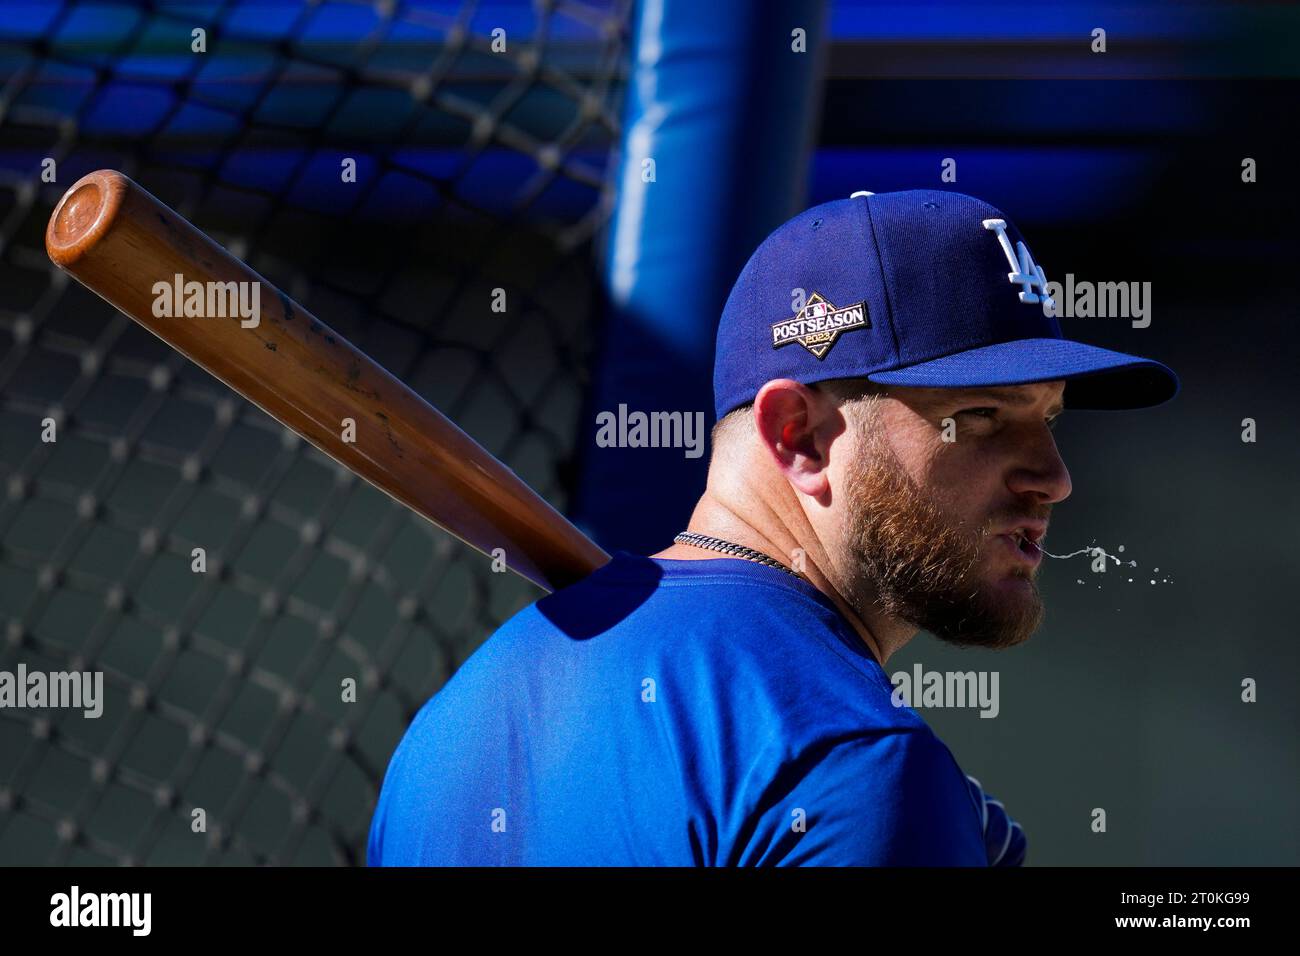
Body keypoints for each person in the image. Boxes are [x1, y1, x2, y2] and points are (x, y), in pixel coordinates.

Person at [368, 189, 1178, 866]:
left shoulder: (453, 725)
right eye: (979, 417)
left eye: (1051, 419)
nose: (1055, 478)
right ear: (796, 432)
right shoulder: (853, 762)